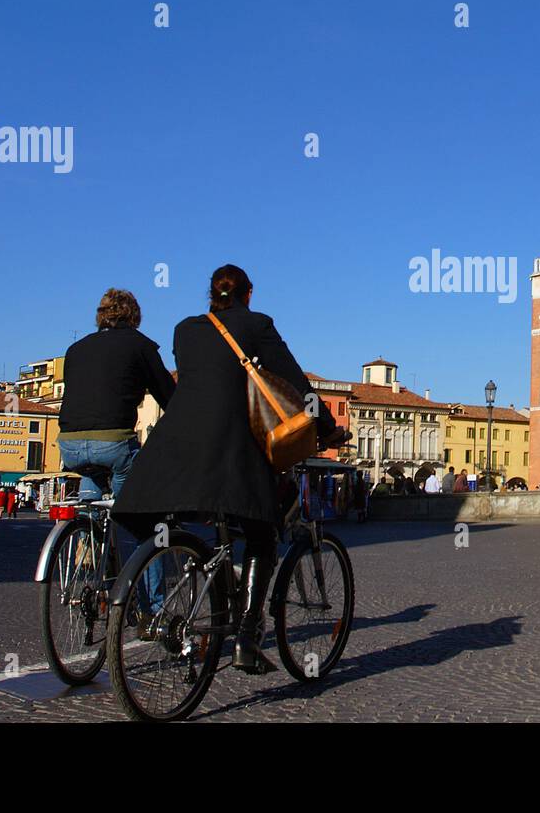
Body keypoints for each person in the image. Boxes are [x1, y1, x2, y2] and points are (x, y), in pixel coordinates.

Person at [112, 264, 340, 673]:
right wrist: (327, 426)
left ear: (212, 294)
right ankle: (247, 640)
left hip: (175, 448)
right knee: (261, 533)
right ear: (248, 294)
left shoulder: (185, 330)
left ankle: (201, 579)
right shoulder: (258, 325)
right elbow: (294, 380)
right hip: (231, 447)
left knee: (191, 526)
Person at [57, 288, 176, 502]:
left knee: (92, 472)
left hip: (69, 445)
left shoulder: (75, 349)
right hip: (113, 444)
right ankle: (132, 517)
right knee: (134, 496)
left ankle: (87, 525)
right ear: (134, 315)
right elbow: (169, 397)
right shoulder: (140, 345)